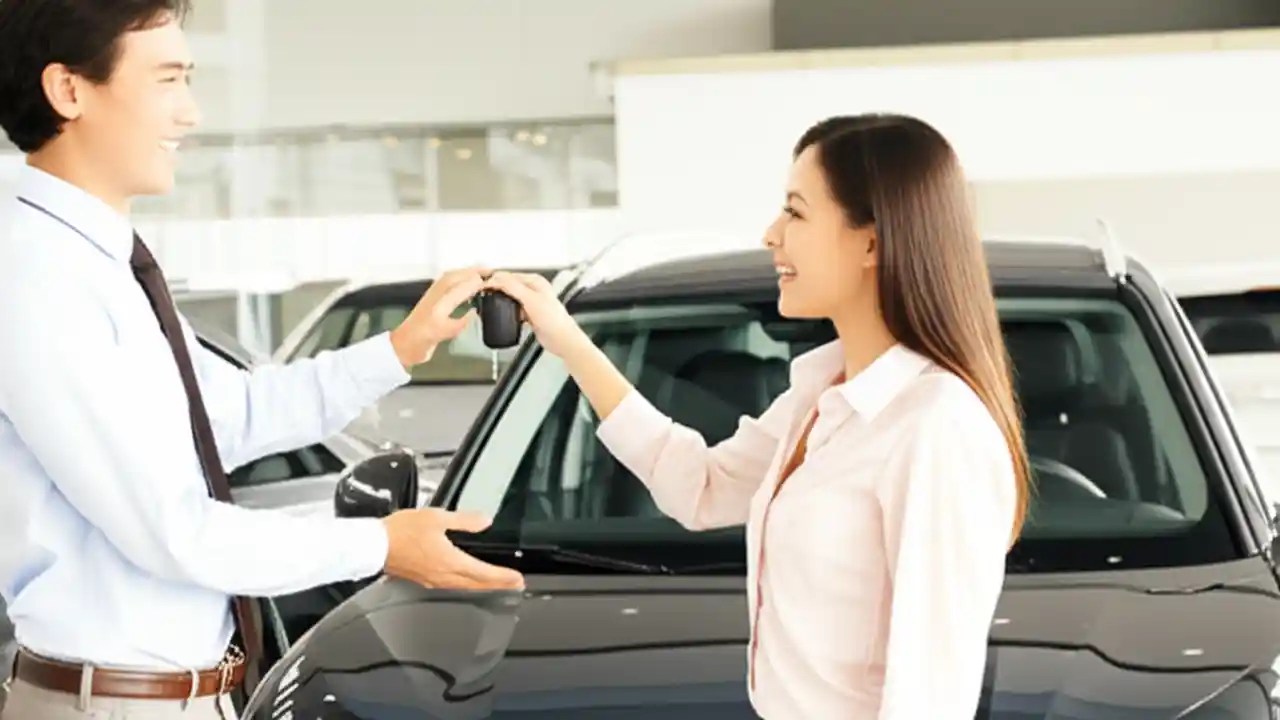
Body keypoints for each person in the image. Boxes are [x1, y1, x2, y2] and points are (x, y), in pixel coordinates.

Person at [0, 1, 523, 718]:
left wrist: (404, 347)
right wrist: (378, 545)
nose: (188, 114)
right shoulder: (37, 278)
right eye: (168, 80)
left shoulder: (99, 264)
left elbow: (229, 415)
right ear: (68, 91)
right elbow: (174, 531)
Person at [485, 113, 1031, 719]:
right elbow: (699, 487)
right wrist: (569, 342)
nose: (772, 234)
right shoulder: (819, 392)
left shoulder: (936, 425)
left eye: (796, 212)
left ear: (872, 241)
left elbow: (931, 693)